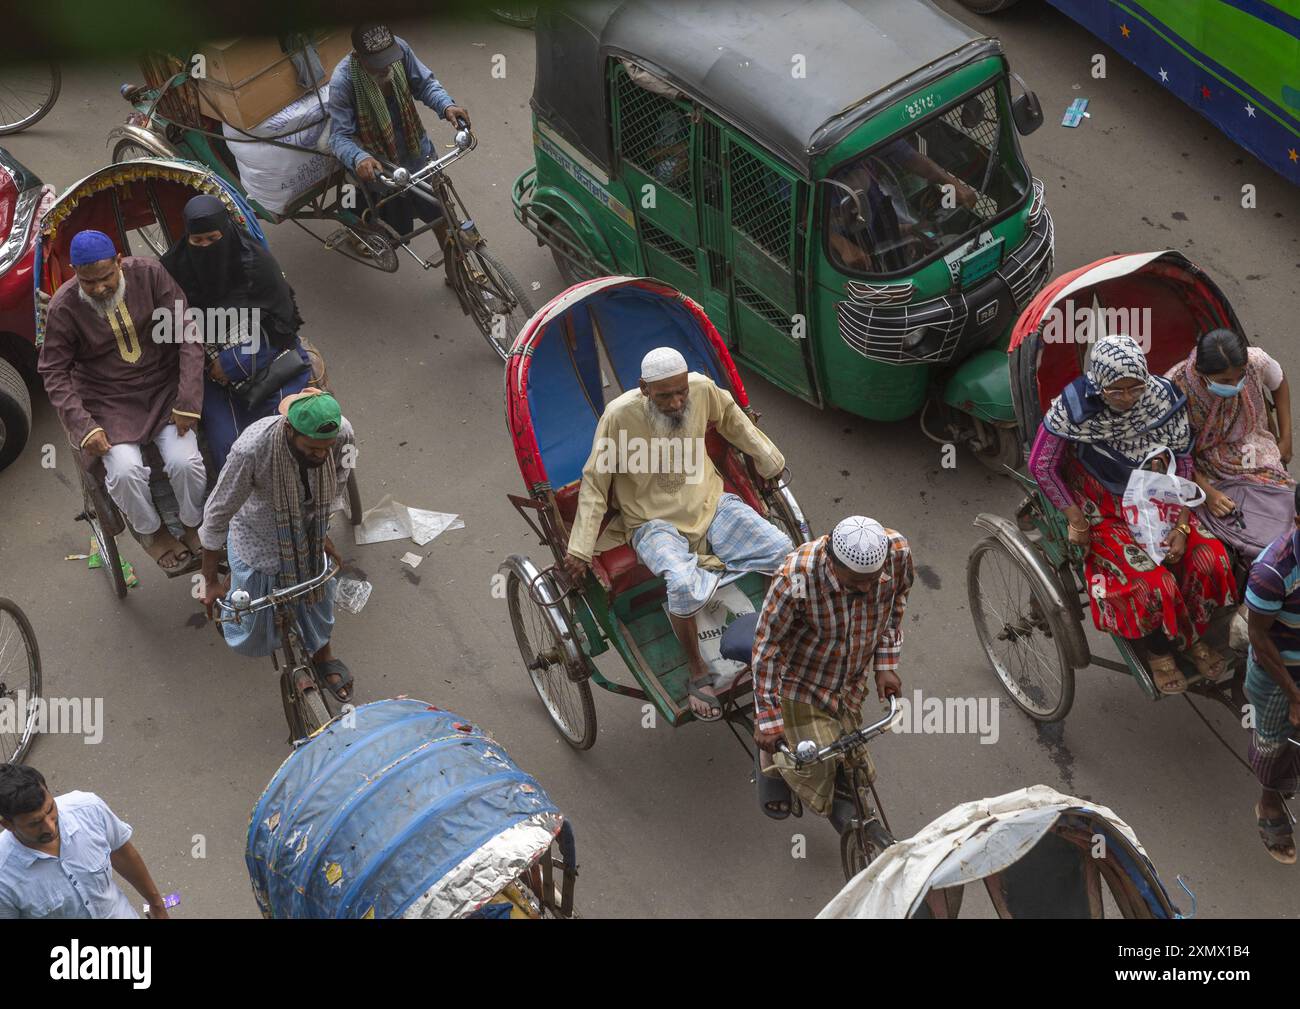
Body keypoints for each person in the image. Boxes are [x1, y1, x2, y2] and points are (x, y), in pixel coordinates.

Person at [562, 347, 793, 721]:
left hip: (708, 502)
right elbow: (594, 484)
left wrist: (770, 461)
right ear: (644, 389)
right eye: (665, 395)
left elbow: (734, 419)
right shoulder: (618, 417)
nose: (676, 401)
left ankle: (765, 635)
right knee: (682, 585)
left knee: (781, 550)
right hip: (653, 523)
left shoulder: (702, 389)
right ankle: (697, 669)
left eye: (680, 391)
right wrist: (580, 549)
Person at [1028, 333, 1236, 694]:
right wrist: (1076, 521)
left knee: (1210, 560)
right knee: (1152, 583)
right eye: (1116, 392)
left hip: (1159, 493)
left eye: (1134, 389)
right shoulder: (1075, 407)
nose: (1127, 400)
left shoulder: (1162, 396)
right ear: (1099, 384)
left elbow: (1183, 458)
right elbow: (1041, 464)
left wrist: (1183, 525)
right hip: (1104, 502)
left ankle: (1191, 634)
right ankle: (1159, 651)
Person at [38, 229, 206, 571]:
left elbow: (188, 333)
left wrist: (188, 400)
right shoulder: (64, 307)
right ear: (74, 273)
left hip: (164, 390)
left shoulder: (150, 274)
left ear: (119, 263)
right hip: (107, 402)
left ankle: (193, 523)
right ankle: (152, 534)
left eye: (105, 278)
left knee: (185, 462)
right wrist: (85, 428)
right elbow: (53, 372)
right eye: (88, 282)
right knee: (126, 472)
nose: (99, 289)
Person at [750, 517, 912, 823]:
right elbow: (766, 648)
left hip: (851, 677)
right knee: (811, 763)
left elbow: (897, 600)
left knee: (848, 756)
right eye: (855, 583)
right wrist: (768, 719)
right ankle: (767, 760)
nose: (866, 589)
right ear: (830, 560)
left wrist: (886, 664)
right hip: (801, 682)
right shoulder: (795, 576)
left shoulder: (898, 552)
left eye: (873, 579)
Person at [198, 388, 355, 702]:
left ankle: (323, 656)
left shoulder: (343, 434)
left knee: (317, 597)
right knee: (254, 622)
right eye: (312, 448)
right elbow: (217, 514)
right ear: (289, 429)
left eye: (326, 448)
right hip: (259, 536)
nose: (321, 455)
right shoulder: (251, 451)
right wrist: (210, 581)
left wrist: (322, 530)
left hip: (310, 529)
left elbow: (340, 476)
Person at [161, 194, 312, 472]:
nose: (205, 247)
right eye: (197, 241)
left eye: (212, 238)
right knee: (228, 445)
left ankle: (295, 487)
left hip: (268, 356)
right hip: (209, 370)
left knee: (283, 431)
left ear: (227, 232)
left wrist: (233, 363)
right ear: (188, 238)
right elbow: (171, 331)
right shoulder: (174, 269)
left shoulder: (256, 262)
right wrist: (211, 363)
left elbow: (282, 324)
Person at [327, 22, 470, 247]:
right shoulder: (343, 81)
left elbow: (424, 84)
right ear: (359, 57)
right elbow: (339, 137)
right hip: (380, 166)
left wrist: (446, 106)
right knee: (393, 230)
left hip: (416, 152)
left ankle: (455, 269)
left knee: (442, 212)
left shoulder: (400, 51)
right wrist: (359, 157)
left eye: (388, 59)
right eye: (377, 63)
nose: (385, 67)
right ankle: (364, 234)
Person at [1166, 328, 1295, 558]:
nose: (1236, 385)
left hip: (1254, 448)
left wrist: (1286, 439)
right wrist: (1209, 493)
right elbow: (1175, 454)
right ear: (1200, 372)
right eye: (1225, 380)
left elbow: (1279, 380)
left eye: (1240, 376)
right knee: (1243, 527)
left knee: (1284, 513)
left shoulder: (1254, 361)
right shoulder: (1175, 388)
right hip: (1203, 462)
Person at [0, 764, 169, 919]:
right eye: (35, 823)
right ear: (7, 824)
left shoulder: (89, 809)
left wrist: (157, 905)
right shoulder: (3, 878)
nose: (50, 827)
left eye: (50, 809)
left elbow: (123, 854)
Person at [1243, 489, 1300, 864]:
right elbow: (1260, 639)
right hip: (1280, 672)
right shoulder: (1272, 572)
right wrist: (1295, 698)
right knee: (1275, 743)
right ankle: (1268, 804)